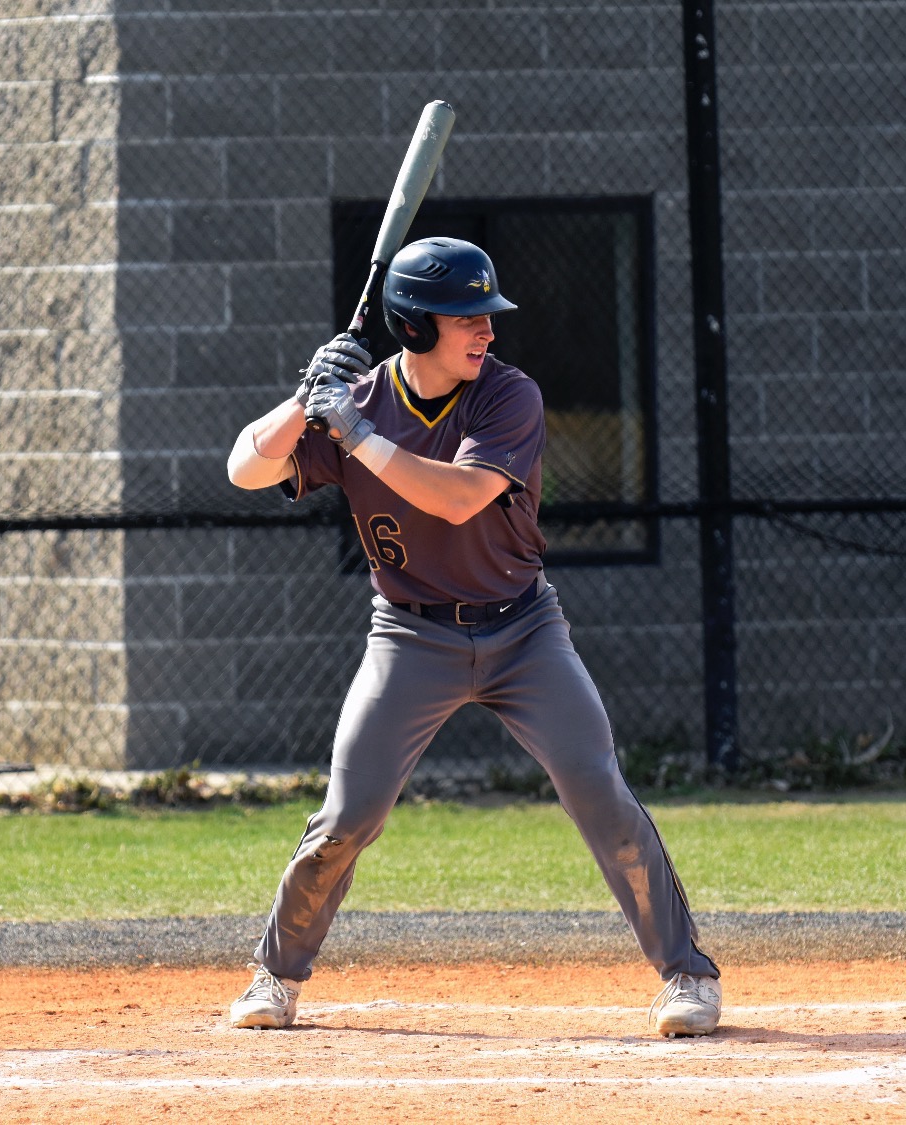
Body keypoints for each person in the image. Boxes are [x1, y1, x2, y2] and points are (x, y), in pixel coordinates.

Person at [221, 237, 722, 1037]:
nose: (486, 331)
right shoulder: (357, 400)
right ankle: (274, 975)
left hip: (524, 628)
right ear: (416, 327)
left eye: (488, 316)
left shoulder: (507, 396)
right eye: (466, 318)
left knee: (599, 788)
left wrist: (353, 432)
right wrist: (305, 398)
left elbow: (456, 498)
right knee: (348, 814)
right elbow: (244, 469)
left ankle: (688, 976)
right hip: (411, 636)